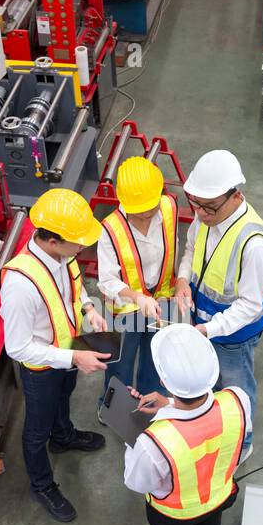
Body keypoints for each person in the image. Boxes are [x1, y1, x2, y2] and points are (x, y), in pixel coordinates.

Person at [124, 323, 252, 525]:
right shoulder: (237, 401)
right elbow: (208, 421)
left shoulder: (154, 442)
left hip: (174, 515)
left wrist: (138, 434)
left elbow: (135, 482)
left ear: (163, 378)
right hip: (218, 496)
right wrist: (169, 405)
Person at [0, 188, 111, 523]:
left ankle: (63, 437)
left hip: (68, 351)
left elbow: (74, 290)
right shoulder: (21, 284)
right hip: (41, 369)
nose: (83, 247)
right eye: (78, 242)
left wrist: (89, 308)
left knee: (65, 396)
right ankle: (42, 484)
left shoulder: (64, 255)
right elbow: (16, 347)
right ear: (51, 241)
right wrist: (73, 359)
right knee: (36, 428)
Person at [173, 150, 263, 457]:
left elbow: (250, 305)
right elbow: (191, 249)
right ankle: (214, 427)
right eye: (196, 204)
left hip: (233, 336)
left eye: (209, 208)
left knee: (237, 390)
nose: (201, 214)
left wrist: (210, 330)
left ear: (235, 195)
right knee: (210, 383)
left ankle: (242, 443)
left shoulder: (255, 245)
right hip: (204, 326)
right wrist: (181, 279)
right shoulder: (206, 215)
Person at [96, 156, 178, 410]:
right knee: (120, 364)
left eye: (150, 211)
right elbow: (107, 279)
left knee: (156, 358)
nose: (146, 218)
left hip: (163, 300)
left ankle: (148, 404)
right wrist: (137, 297)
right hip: (125, 309)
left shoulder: (168, 207)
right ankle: (112, 408)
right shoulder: (109, 229)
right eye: (139, 214)